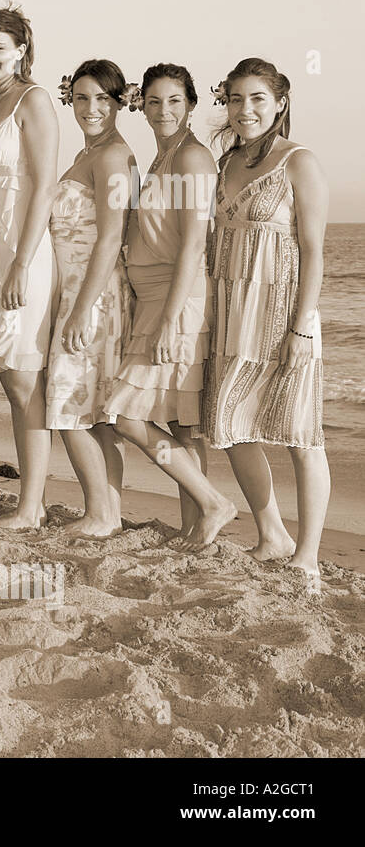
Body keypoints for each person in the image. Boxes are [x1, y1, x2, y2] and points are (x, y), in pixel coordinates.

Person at [204, 57, 330, 581]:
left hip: (283, 315)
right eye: (235, 99)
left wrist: (301, 327)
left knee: (301, 434)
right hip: (234, 314)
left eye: (257, 98)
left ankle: (308, 555)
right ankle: (272, 533)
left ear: (279, 102)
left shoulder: (298, 161)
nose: (245, 109)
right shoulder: (226, 164)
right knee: (228, 423)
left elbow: (315, 252)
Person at [104, 63, 236, 546]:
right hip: (152, 299)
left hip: (176, 303)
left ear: (192, 106)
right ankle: (197, 526)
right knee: (182, 423)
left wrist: (169, 320)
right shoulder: (161, 158)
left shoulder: (193, 159)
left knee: (125, 415)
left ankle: (215, 503)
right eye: (154, 101)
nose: (163, 111)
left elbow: (192, 246)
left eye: (175, 102)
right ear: (142, 105)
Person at [0, 6, 59, 529]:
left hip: (24, 252)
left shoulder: (33, 100)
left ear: (21, 49)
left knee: (26, 380)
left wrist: (23, 261)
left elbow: (43, 184)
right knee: (12, 380)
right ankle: (33, 503)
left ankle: (30, 509)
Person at [47, 60, 135, 537]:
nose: (91, 108)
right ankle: (108, 514)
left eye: (103, 98)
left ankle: (100, 514)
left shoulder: (112, 157)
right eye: (82, 98)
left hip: (93, 294)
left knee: (65, 406)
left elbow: (110, 237)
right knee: (97, 411)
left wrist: (82, 308)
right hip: (78, 291)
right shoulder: (89, 154)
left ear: (120, 102)